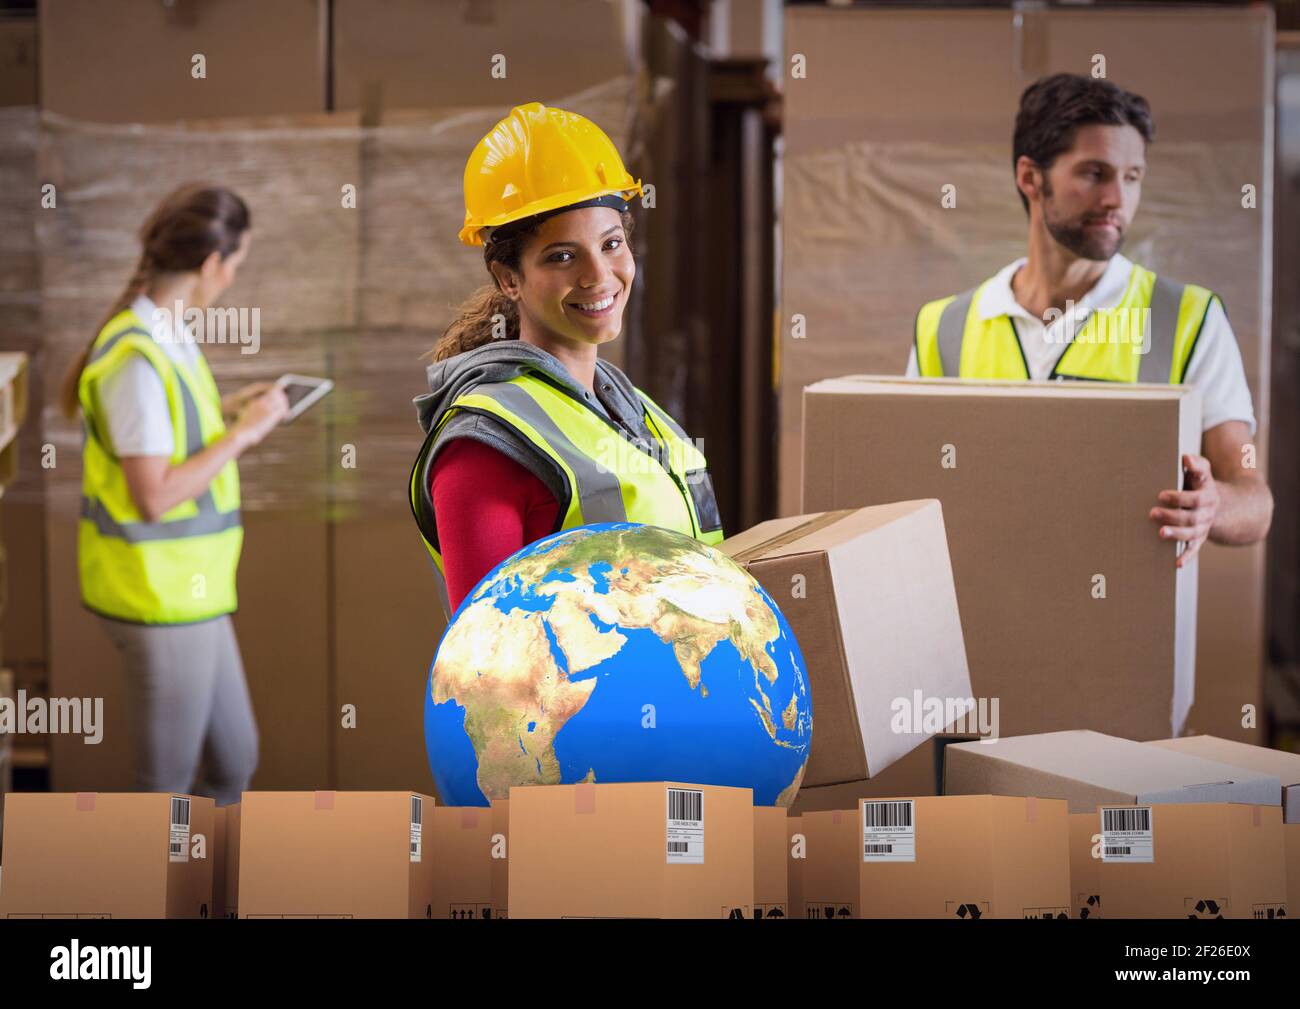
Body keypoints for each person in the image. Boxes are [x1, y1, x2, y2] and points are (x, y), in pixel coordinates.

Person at [908, 73, 1272, 565]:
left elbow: (1255, 499)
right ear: (1030, 177)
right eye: (1095, 173)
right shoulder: (944, 327)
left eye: (1132, 177)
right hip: (973, 629)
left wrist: (1214, 505)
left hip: (1123, 630)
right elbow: (906, 497)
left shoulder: (1189, 318)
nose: (1117, 200)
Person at [409, 102, 724, 619]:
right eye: (561, 256)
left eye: (611, 244)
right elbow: (489, 662)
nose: (598, 276)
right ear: (509, 278)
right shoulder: (485, 445)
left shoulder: (631, 408)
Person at [60, 183, 289, 804]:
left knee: (234, 761)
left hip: (195, 589)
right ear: (213, 263)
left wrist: (230, 411)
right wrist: (243, 436)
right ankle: (155, 899)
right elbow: (153, 496)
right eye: (235, 265)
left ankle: (212, 896)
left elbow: (170, 433)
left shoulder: (168, 335)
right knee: (166, 788)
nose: (231, 279)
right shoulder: (135, 359)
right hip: (155, 593)